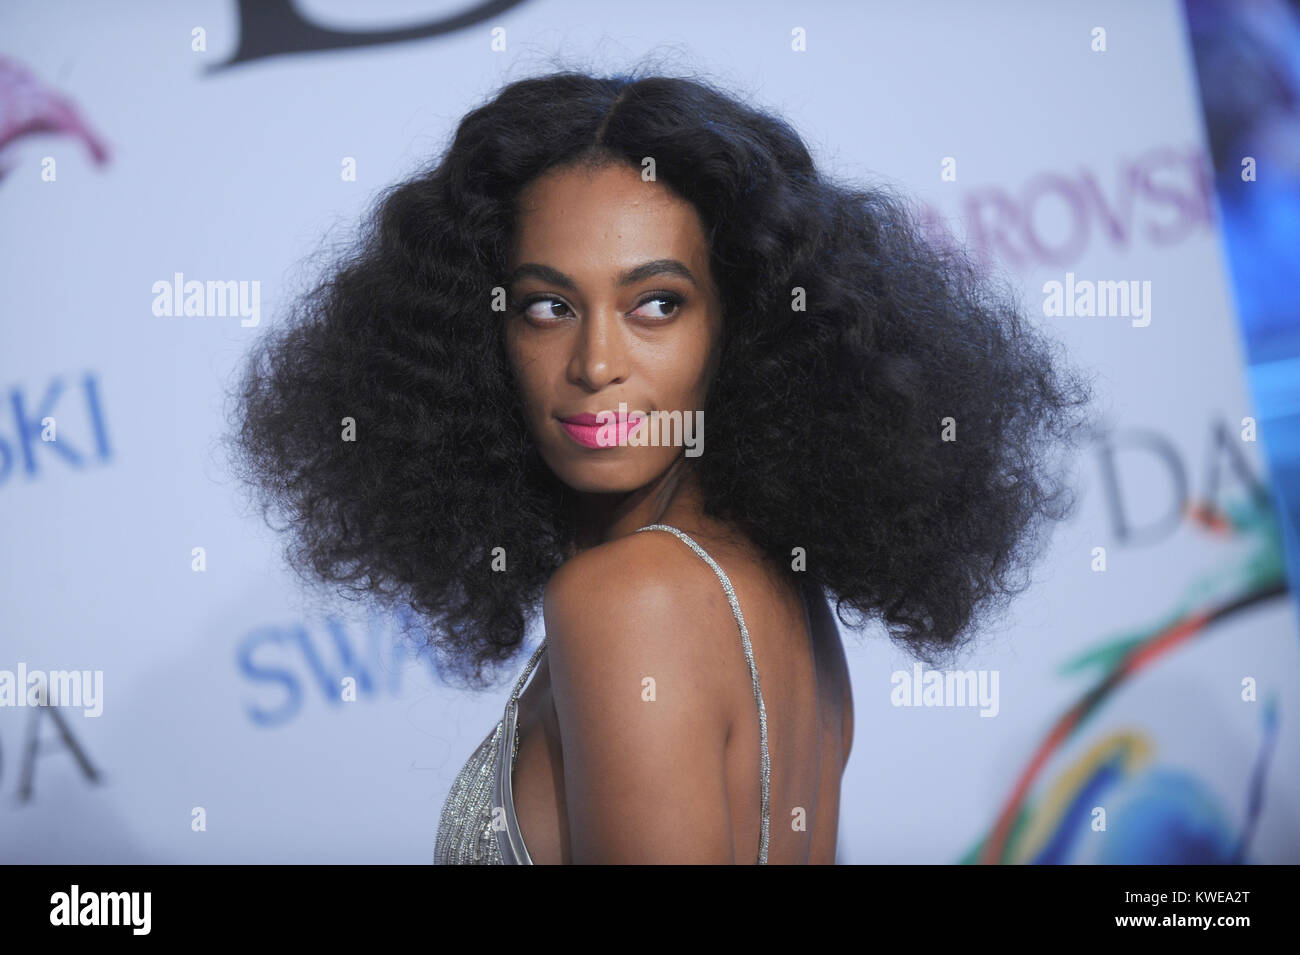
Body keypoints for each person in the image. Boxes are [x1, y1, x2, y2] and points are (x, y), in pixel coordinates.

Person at [228, 68, 1094, 864]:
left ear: (741, 325)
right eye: (546, 306)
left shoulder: (630, 600)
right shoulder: (770, 587)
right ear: (479, 338)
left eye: (655, 304)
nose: (595, 361)